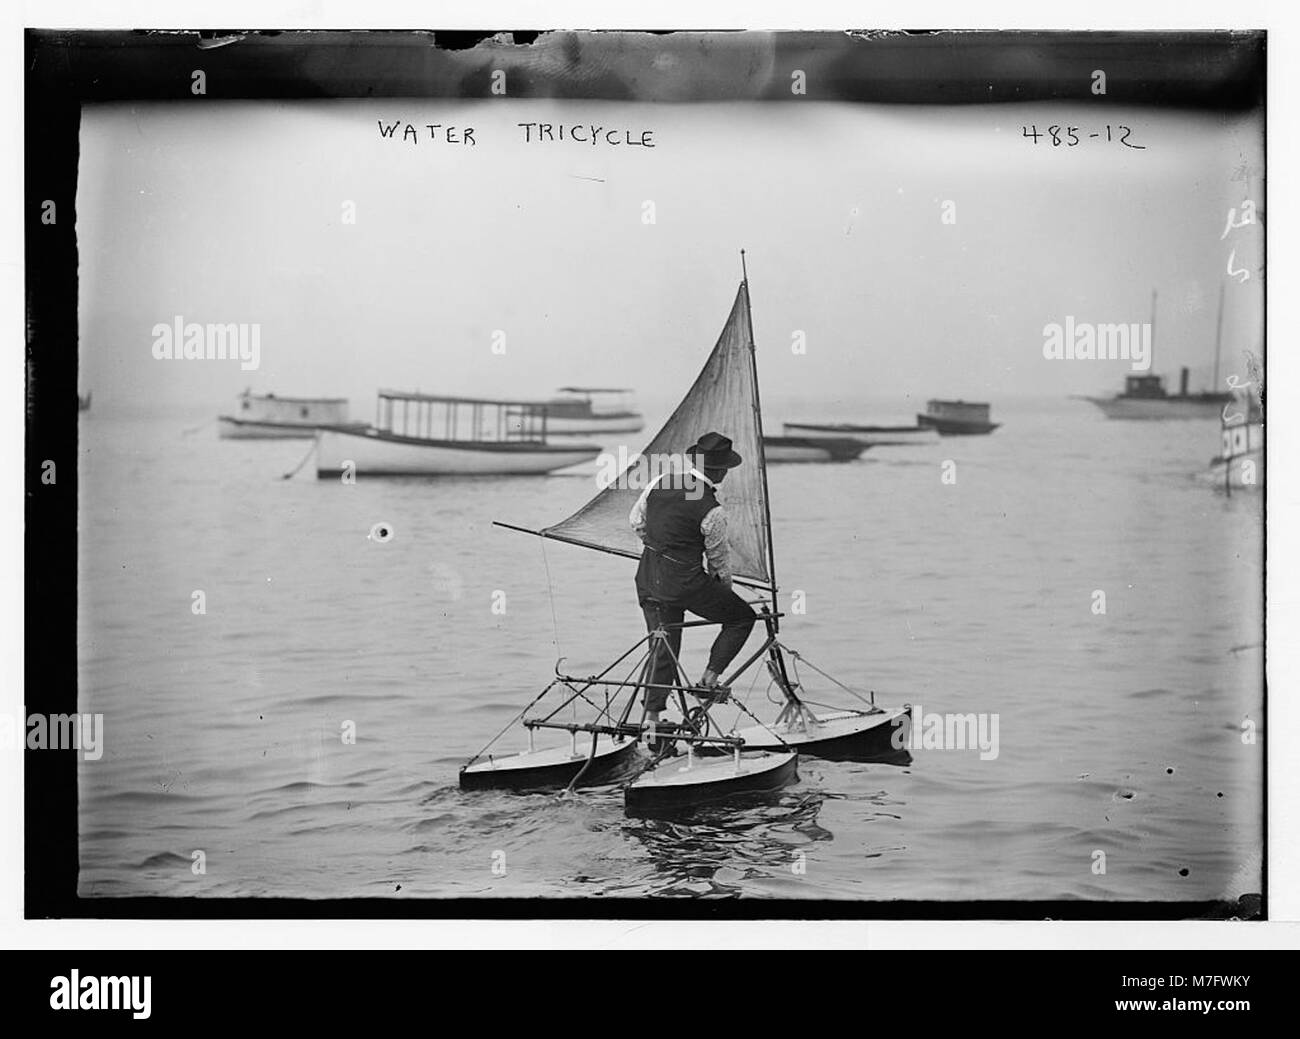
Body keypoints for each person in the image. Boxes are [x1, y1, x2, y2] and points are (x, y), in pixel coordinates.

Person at [628, 431, 757, 729]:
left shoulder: (659, 483)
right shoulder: (712, 509)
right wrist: (724, 592)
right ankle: (707, 682)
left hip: (647, 577)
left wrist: (658, 549)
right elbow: (718, 562)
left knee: (663, 643)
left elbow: (636, 522)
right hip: (684, 582)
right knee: (741, 618)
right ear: (722, 471)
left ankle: (651, 719)